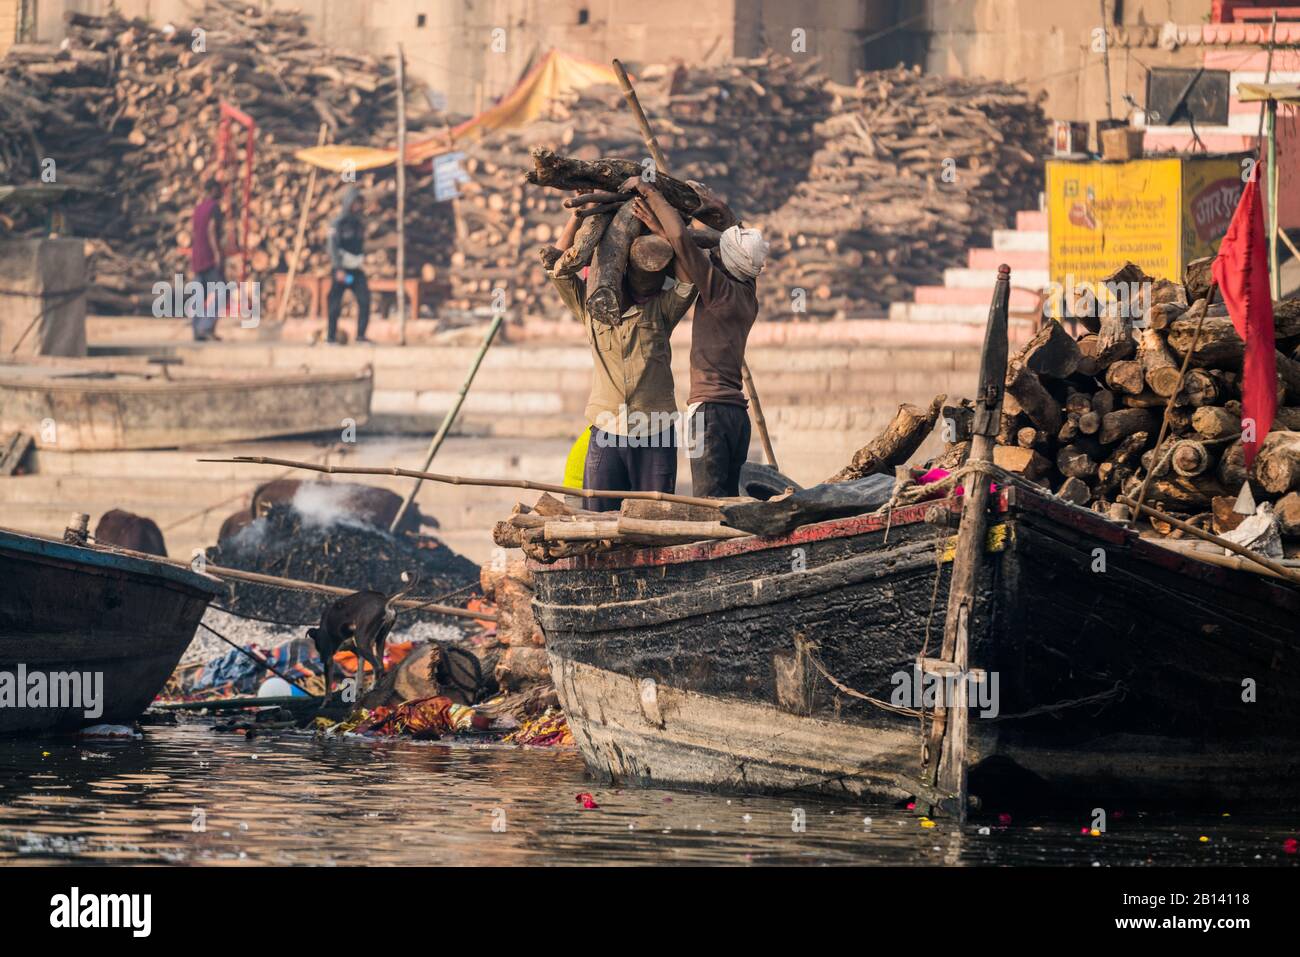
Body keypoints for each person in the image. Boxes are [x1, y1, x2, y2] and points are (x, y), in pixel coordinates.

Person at [547, 194, 697, 511]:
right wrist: (577, 218)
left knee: (655, 518)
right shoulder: (591, 309)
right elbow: (558, 269)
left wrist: (659, 227)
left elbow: (688, 279)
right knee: (598, 517)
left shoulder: (660, 311)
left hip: (655, 429)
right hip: (606, 428)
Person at [627, 177, 769, 498]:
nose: (716, 254)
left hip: (710, 417)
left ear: (729, 262)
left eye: (722, 252)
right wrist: (724, 212)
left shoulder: (718, 290)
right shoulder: (748, 293)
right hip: (737, 417)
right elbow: (735, 248)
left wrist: (648, 190)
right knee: (728, 502)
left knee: (707, 505)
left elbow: (680, 237)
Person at [326, 186, 371, 344]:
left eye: (359, 203)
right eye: (355, 203)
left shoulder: (359, 223)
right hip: (342, 271)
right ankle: (330, 337)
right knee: (334, 303)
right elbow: (332, 246)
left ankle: (360, 335)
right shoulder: (338, 223)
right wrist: (338, 268)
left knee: (364, 300)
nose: (357, 206)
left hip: (355, 271)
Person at [189, 178, 224, 341]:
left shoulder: (198, 208)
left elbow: (194, 232)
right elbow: (211, 230)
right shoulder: (214, 207)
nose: (221, 192)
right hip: (209, 256)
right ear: (212, 190)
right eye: (218, 189)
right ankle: (206, 327)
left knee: (199, 293)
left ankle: (196, 329)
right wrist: (217, 253)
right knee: (221, 291)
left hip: (197, 255)